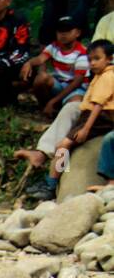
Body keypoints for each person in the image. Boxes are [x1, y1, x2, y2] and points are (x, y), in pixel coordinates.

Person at [19, 37, 114, 199]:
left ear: (110, 59)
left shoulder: (107, 76)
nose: (92, 63)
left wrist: (85, 129)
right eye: (90, 60)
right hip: (93, 116)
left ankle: (51, 183)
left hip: (98, 118)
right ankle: (54, 180)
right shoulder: (101, 75)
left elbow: (98, 104)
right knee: (64, 145)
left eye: (97, 59)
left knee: (63, 145)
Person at [21, 15, 89, 115]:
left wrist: (53, 100)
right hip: (59, 84)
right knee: (41, 78)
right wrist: (29, 63)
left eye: (68, 31)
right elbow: (40, 58)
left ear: (77, 33)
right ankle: (45, 107)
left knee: (74, 105)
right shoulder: (54, 46)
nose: (63, 34)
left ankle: (54, 105)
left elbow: (77, 83)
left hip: (75, 88)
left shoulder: (82, 53)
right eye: (60, 31)